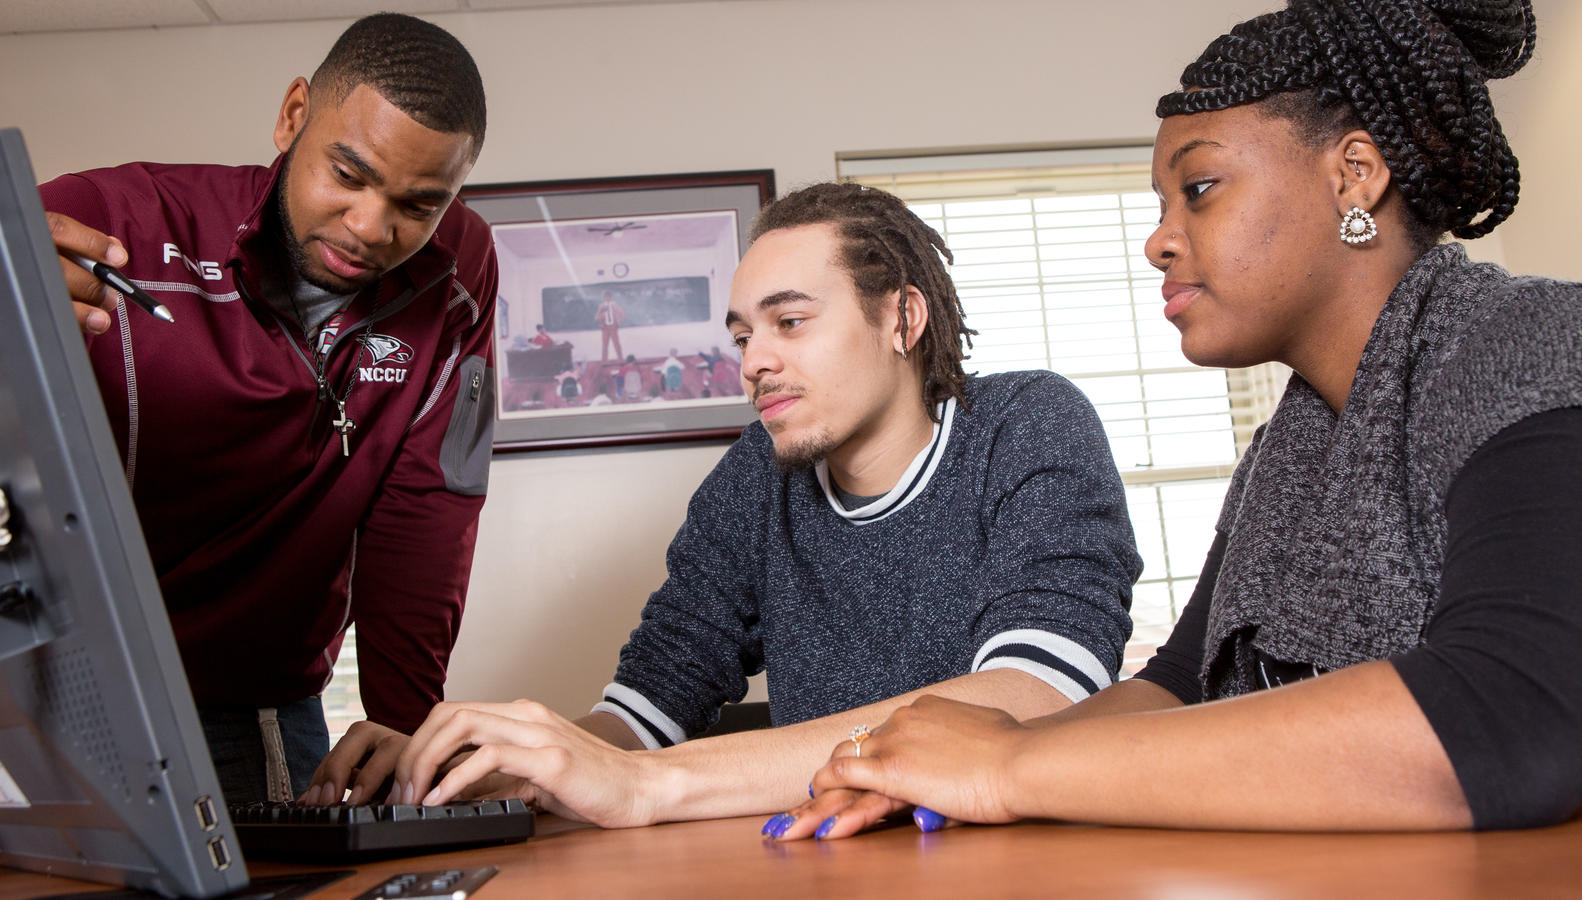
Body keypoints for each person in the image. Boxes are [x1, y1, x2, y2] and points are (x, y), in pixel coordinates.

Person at [777, 0, 1582, 840]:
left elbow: (1515, 717)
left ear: (1354, 174)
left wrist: (1007, 766)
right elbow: (1178, 684)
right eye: (1162, 204)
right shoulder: (1289, 451)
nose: (1158, 242)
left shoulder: (1531, 343)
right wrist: (942, 771)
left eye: (1199, 190)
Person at [313, 182, 1142, 825]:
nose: (754, 363)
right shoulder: (754, 477)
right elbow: (647, 706)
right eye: (744, 336)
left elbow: (1038, 688)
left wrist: (647, 784)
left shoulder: (1029, 423)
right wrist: (508, 767)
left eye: (791, 322)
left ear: (903, 317)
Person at [42, 13, 497, 805]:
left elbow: (430, 505)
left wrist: (405, 723)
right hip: (59, 685)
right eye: (347, 175)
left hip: (259, 707)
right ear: (293, 117)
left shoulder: (460, 269)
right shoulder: (107, 219)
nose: (370, 227)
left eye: (418, 205)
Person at [596, 290, 625, 362]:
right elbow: (597, 318)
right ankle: (604, 360)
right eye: (606, 297)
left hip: (613, 327)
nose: (607, 298)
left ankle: (620, 359)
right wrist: (602, 316)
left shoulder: (614, 305)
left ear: (611, 297)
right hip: (605, 327)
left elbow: (622, 313)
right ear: (604, 298)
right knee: (605, 345)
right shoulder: (601, 306)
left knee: (616, 344)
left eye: (608, 296)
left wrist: (619, 321)